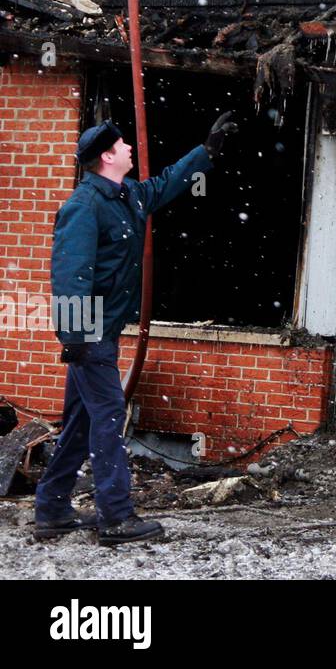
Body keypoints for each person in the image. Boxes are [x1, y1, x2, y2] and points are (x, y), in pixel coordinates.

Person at [32, 112, 238, 545]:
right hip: (89, 337)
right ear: (107, 156)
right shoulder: (83, 206)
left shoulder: (126, 197)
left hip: (100, 333)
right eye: (123, 145)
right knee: (107, 418)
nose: (130, 149)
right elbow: (71, 277)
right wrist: (76, 339)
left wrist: (206, 151)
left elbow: (164, 184)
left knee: (83, 420)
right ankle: (117, 517)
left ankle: (51, 508)